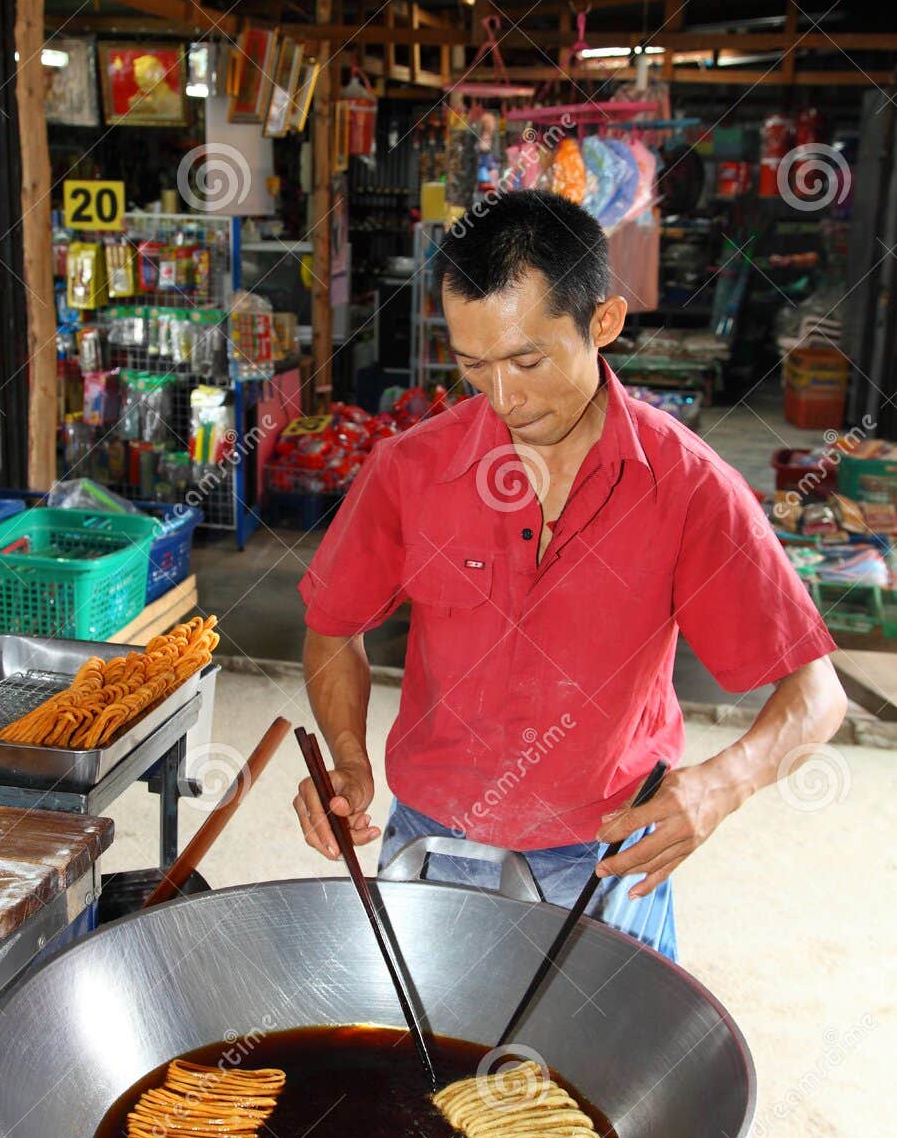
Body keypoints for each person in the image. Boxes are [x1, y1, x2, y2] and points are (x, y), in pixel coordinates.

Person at [293, 192, 846, 959]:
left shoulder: (686, 486)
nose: (502, 396)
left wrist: (723, 782)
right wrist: (348, 760)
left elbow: (816, 694)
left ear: (603, 322)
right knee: (421, 1063)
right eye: (472, 364)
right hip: (429, 840)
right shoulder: (408, 470)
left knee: (594, 1074)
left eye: (526, 359)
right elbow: (331, 629)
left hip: (604, 858)